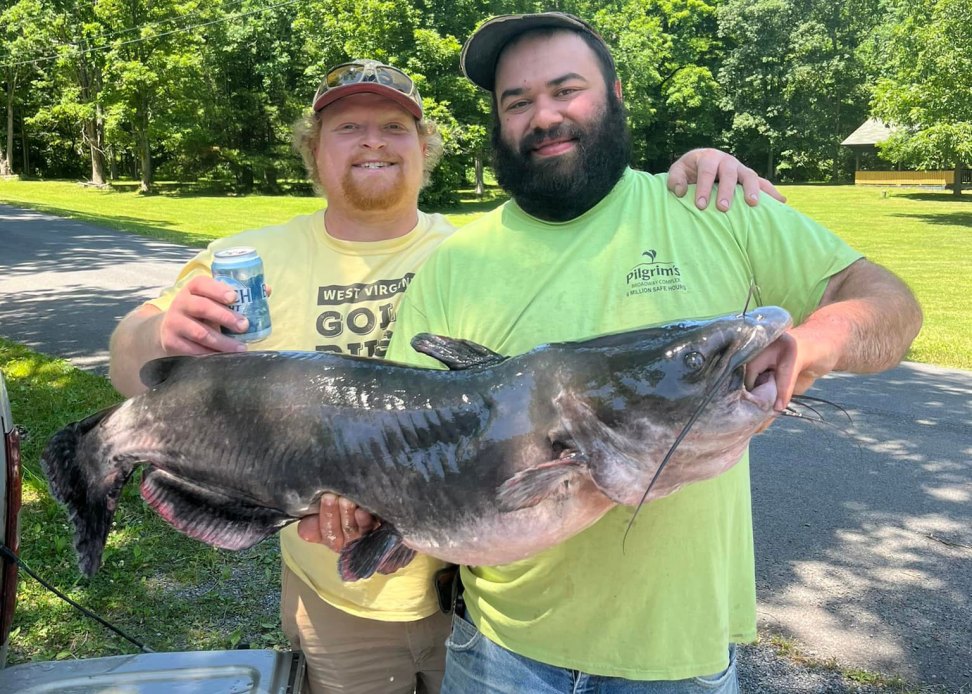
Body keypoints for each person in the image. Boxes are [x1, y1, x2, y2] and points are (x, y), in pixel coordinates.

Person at [108, 56, 789, 694]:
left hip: (469, 598)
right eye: (348, 127)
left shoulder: (475, 252)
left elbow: (598, 278)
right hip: (340, 606)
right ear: (313, 147)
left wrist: (699, 173)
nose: (372, 142)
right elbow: (129, 365)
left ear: (424, 146)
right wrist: (158, 335)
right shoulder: (247, 257)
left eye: (394, 127)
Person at [381, 13, 923, 694]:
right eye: (517, 101)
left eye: (565, 89)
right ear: (498, 122)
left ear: (612, 93)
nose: (543, 115)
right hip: (500, 651)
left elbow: (890, 303)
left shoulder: (712, 205)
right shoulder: (455, 263)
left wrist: (809, 347)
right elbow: (400, 434)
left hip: (677, 662)